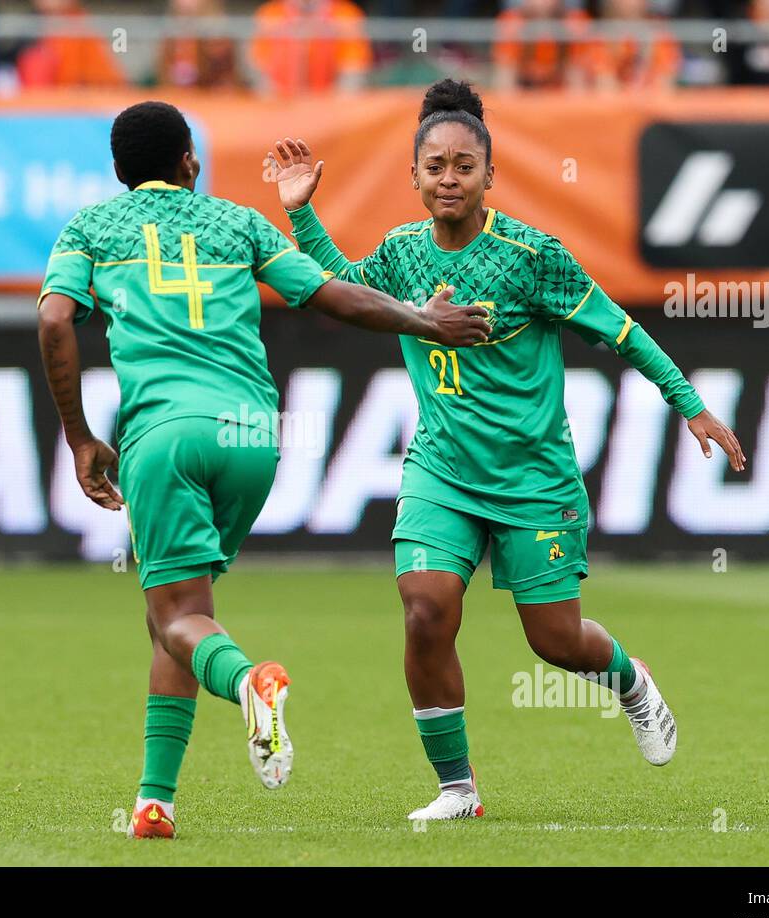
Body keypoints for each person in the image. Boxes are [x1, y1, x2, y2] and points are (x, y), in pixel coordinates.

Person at [268, 79, 746, 821]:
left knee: (556, 643)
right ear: (415, 175)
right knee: (426, 610)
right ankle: (457, 789)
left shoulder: (533, 256)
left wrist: (691, 405)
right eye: (435, 166)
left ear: (490, 175)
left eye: (464, 165)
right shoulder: (400, 251)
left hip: (533, 479)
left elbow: (620, 329)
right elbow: (343, 291)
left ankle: (629, 681)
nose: (449, 178)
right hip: (442, 472)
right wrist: (301, 210)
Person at [36, 100, 490, 839]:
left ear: (121, 172)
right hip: (251, 435)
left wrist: (79, 435)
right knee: (186, 616)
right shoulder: (238, 222)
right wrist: (424, 319)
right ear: (190, 161)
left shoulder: (91, 227)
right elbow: (332, 295)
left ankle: (249, 683)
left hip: (164, 436)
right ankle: (156, 802)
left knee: (176, 615)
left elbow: (55, 320)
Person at [249, 0, 373, 97]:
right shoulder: (271, 13)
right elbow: (258, 63)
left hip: (328, 104)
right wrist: (271, 97)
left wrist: (340, 100)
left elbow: (354, 66)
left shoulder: (345, 14)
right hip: (281, 103)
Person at [16, 0, 124, 88]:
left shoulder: (79, 29)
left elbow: (106, 83)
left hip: (76, 104)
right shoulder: (32, 29)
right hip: (39, 103)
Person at [154, 0, 244, 90]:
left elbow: (226, 81)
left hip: (209, 96)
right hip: (178, 95)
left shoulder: (219, 39)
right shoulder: (170, 39)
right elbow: (164, 76)